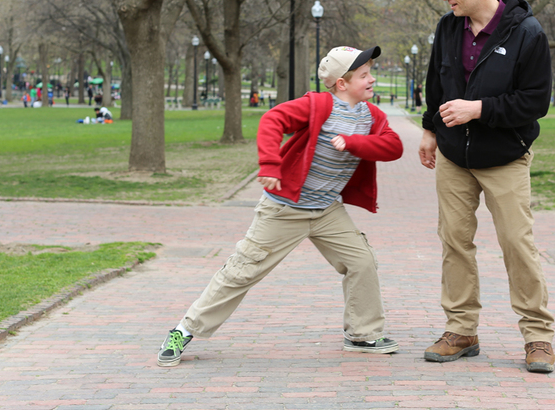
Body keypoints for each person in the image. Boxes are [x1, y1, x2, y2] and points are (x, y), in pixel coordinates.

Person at [157, 45, 403, 367]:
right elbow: (273, 120)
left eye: (371, 72)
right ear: (342, 83)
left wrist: (354, 142)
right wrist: (270, 165)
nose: (372, 79)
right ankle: (183, 330)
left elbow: (393, 146)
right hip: (285, 208)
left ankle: (362, 334)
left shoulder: (371, 116)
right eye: (364, 75)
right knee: (242, 270)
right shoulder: (317, 105)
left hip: (327, 210)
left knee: (362, 261)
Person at [418, 0, 555, 373]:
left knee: (517, 243)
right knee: (454, 242)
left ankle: (538, 337)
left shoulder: (527, 33)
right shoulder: (448, 28)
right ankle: (461, 330)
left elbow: (535, 102)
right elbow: (436, 84)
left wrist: (479, 109)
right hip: (454, 157)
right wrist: (428, 129)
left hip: (505, 157)